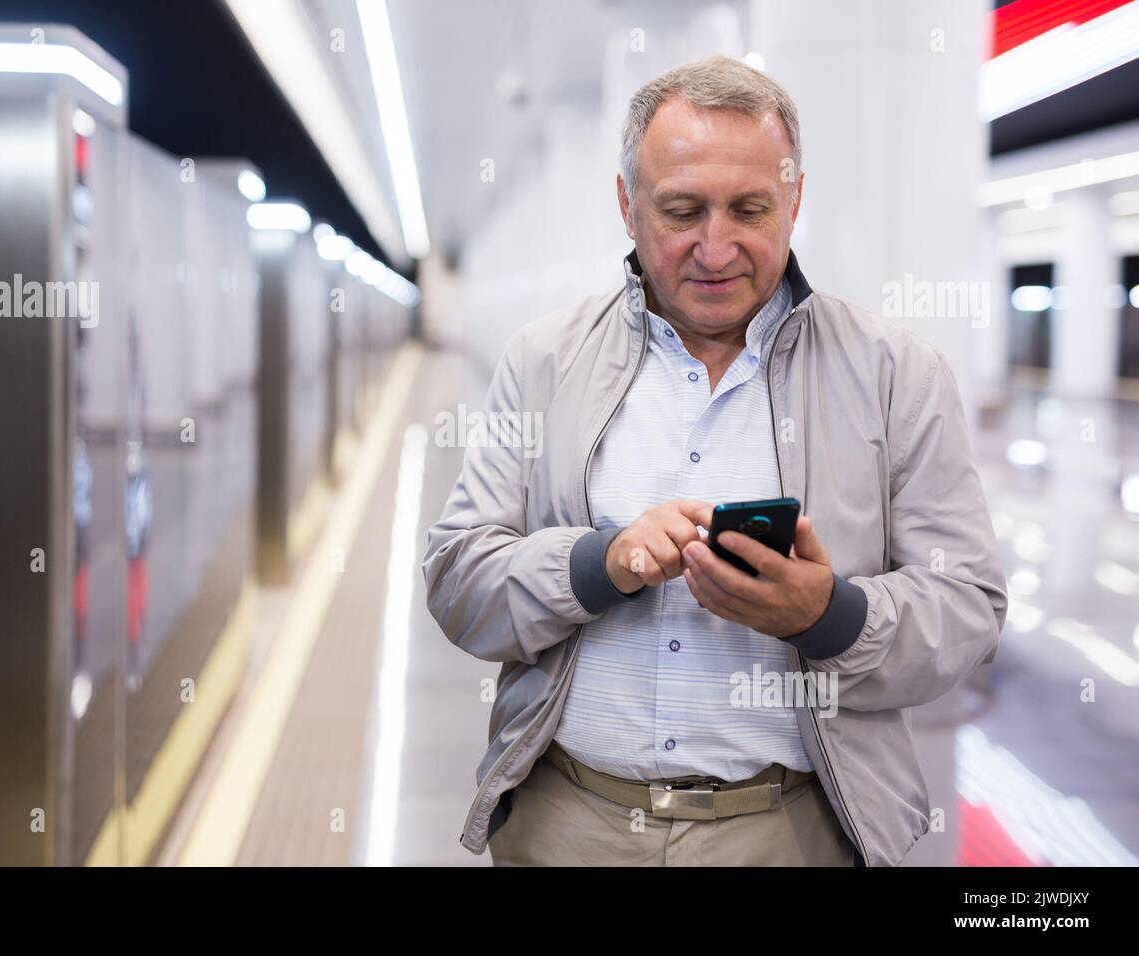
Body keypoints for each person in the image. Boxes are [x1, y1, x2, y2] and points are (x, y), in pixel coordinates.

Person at [422, 55, 1007, 866]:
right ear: (628, 206)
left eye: (750, 209)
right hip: (569, 824)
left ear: (794, 201)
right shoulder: (543, 363)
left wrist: (828, 616)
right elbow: (457, 579)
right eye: (682, 210)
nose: (716, 246)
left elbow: (967, 607)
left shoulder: (895, 376)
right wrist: (600, 563)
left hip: (792, 832)